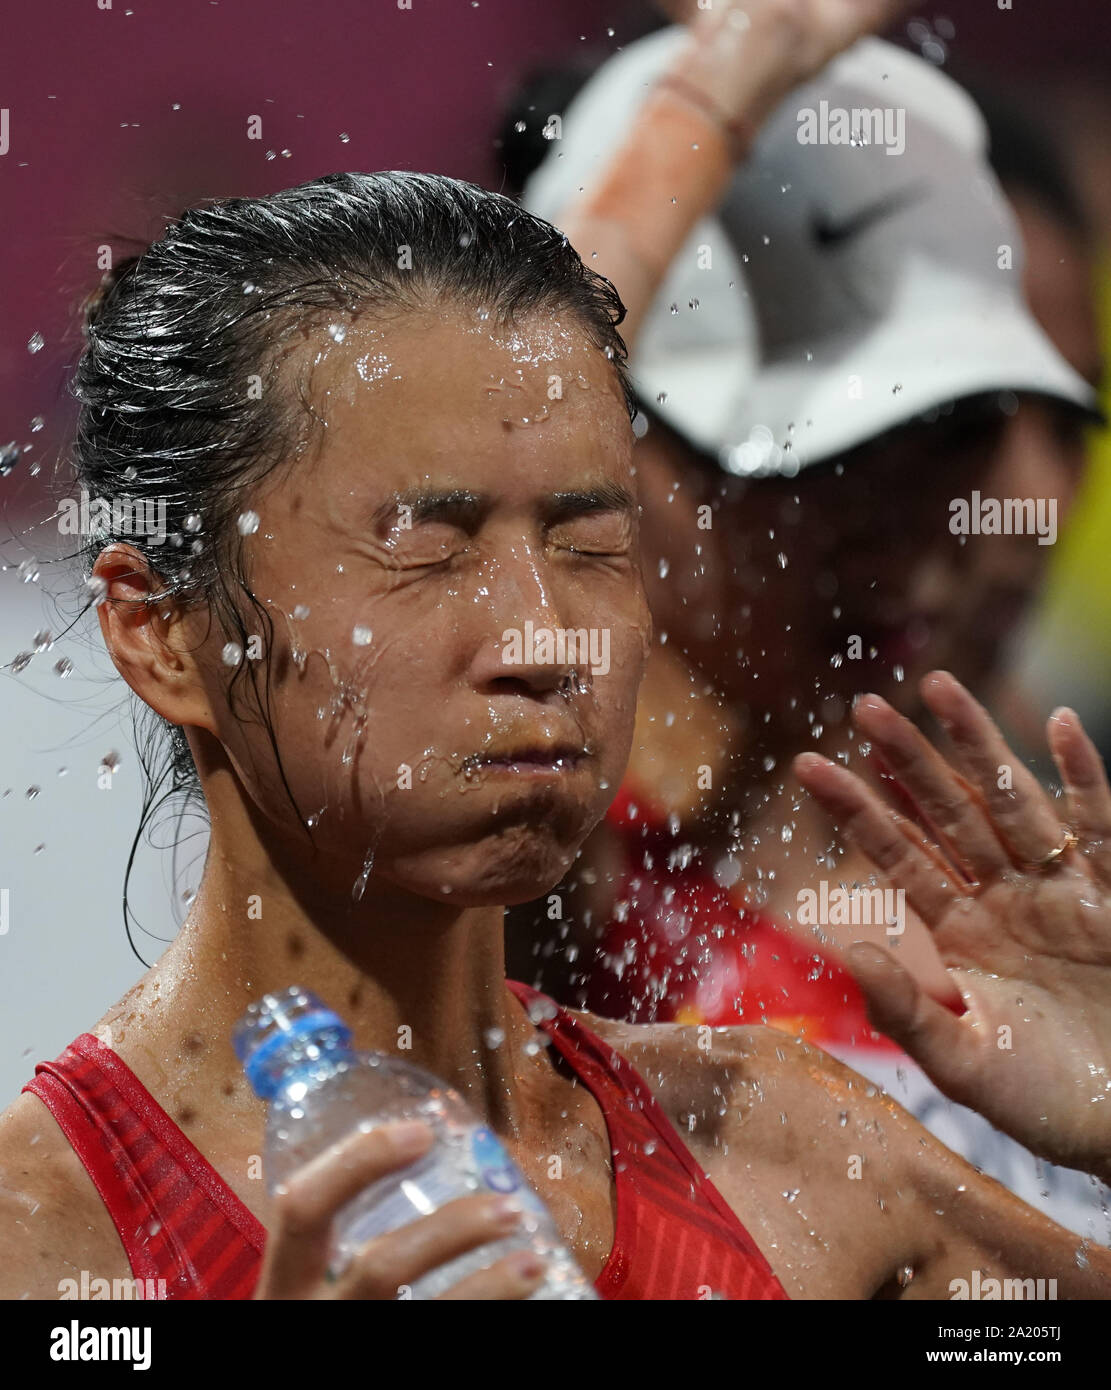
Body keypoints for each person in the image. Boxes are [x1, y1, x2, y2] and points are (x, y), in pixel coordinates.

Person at [2, 166, 1110, 1302]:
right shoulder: (42, 1251)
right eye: (428, 543)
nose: (546, 638)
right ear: (161, 632)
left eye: (588, 543)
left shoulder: (792, 1153)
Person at [508, 21, 1109, 1235]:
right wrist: (722, 81)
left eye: (947, 435)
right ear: (614, 447)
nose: (900, 521)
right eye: (824, 457)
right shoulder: (515, 849)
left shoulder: (1037, 897)